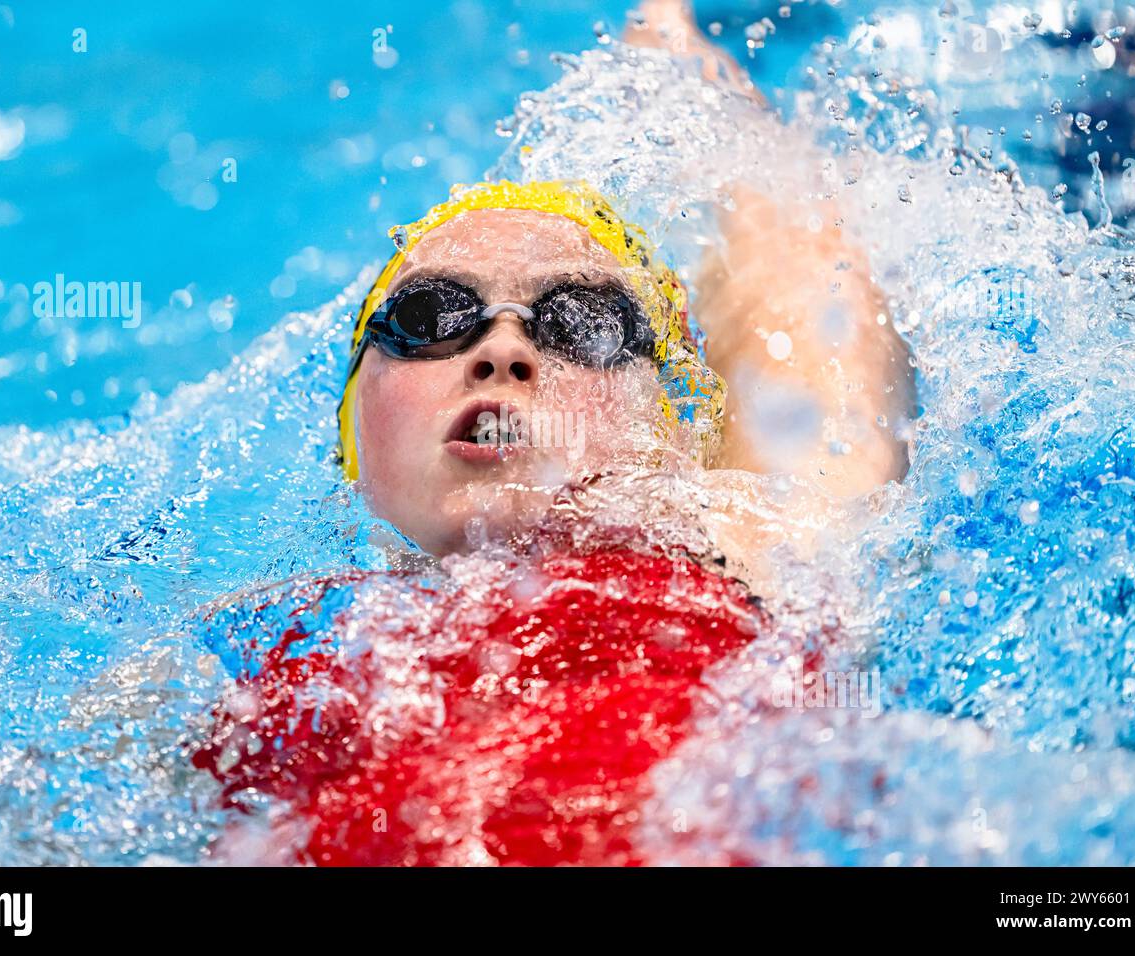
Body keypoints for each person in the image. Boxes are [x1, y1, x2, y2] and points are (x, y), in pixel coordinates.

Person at [190, 0, 915, 865]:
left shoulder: (765, 559)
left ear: (677, 431)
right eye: (431, 316)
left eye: (583, 322)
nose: (501, 349)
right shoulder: (238, 652)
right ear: (353, 429)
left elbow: (806, 296)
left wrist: (679, 63)